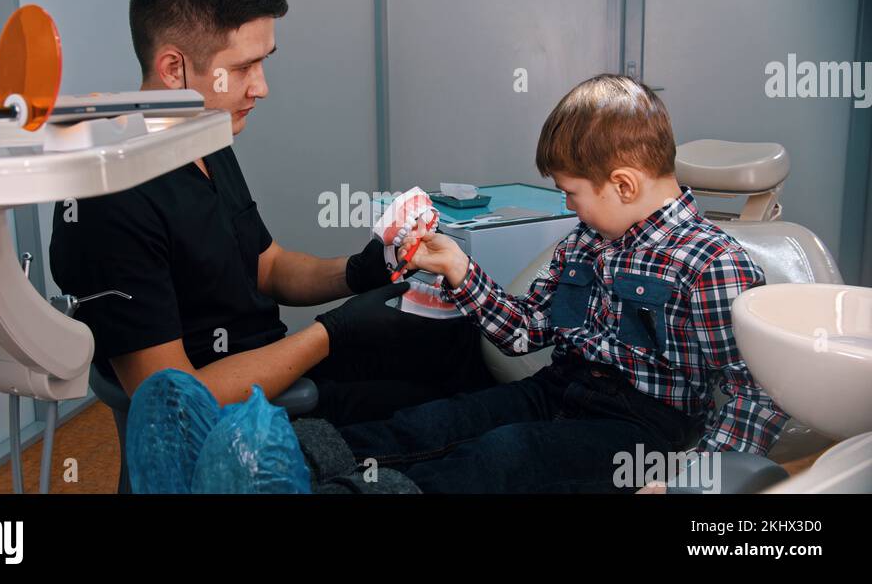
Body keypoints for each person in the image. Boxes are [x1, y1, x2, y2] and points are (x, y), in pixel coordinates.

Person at [50, 0, 494, 428]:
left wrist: (363, 268)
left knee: (460, 346)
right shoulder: (111, 197)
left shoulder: (204, 134)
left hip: (274, 372)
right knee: (459, 416)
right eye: (243, 68)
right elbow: (172, 398)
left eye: (263, 63)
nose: (261, 87)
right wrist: (332, 333)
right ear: (174, 69)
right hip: (238, 422)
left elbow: (267, 265)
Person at [309, 74, 790, 493]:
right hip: (559, 389)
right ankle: (297, 461)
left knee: (499, 459)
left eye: (571, 193)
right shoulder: (585, 240)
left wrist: (691, 484)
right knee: (434, 422)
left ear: (622, 185)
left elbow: (759, 394)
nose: (570, 206)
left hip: (641, 429)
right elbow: (526, 332)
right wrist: (459, 267)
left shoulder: (714, 264)